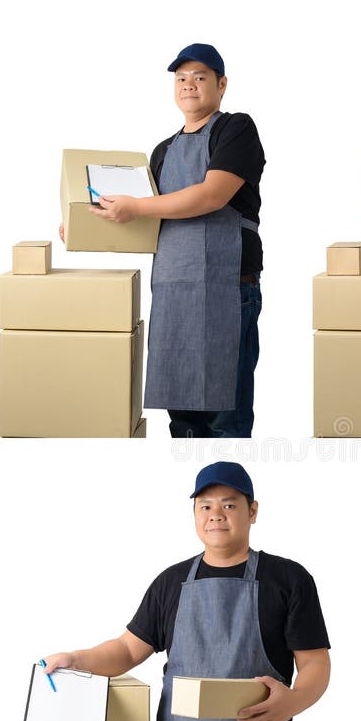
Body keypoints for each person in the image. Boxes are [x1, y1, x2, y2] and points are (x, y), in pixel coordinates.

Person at [43, 462, 331, 721]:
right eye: (206, 505)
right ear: (195, 514)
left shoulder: (288, 579)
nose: (216, 514)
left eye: (229, 504)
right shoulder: (171, 584)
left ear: (253, 511)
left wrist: (294, 701)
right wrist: (76, 659)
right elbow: (126, 650)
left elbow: (315, 664)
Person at [90, 43, 266, 438]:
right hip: (172, 294)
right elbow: (145, 219)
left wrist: (136, 207)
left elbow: (211, 195)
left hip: (227, 290)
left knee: (225, 418)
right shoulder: (162, 150)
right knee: (182, 422)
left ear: (221, 85)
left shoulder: (235, 129)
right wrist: (89, 227)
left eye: (200, 77)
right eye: (181, 78)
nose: (189, 84)